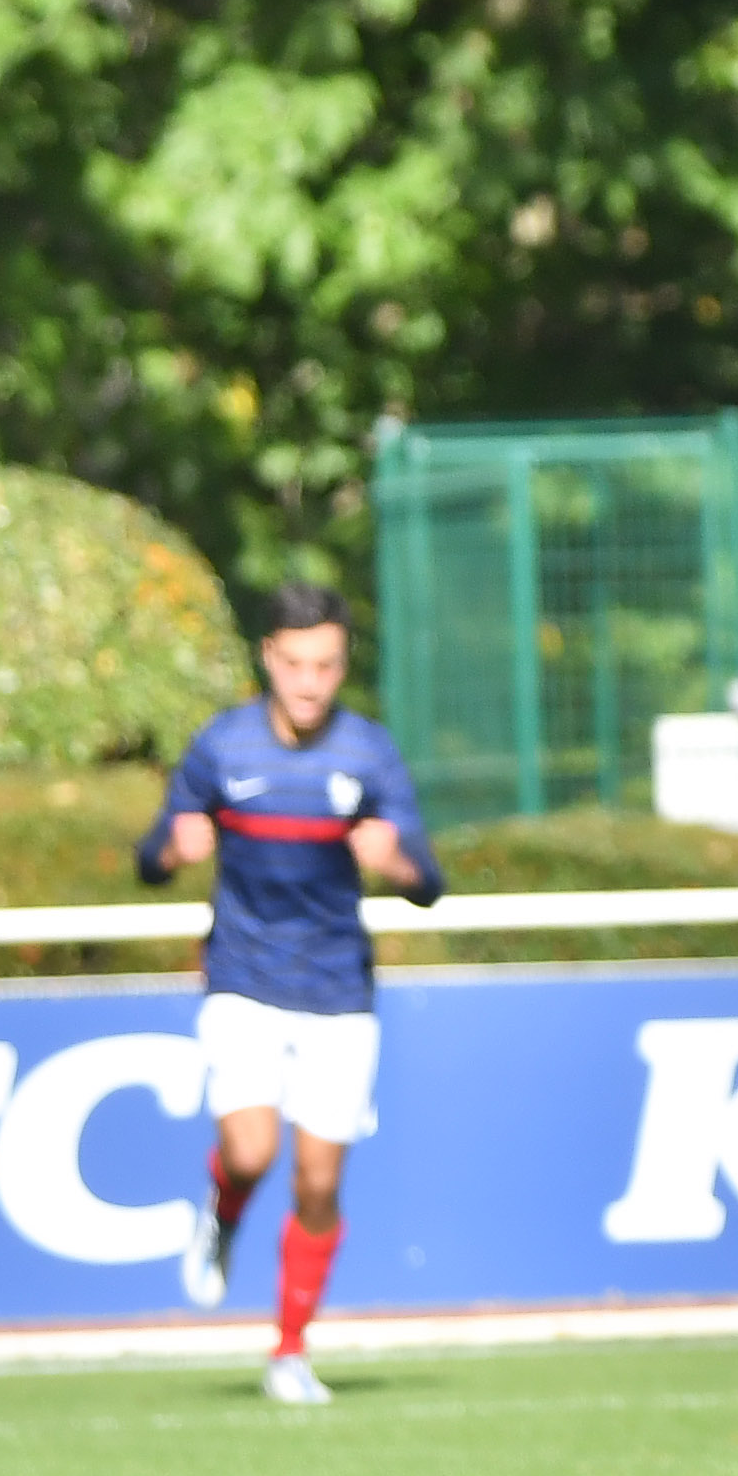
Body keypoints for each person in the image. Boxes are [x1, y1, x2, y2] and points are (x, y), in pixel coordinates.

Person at [135, 585, 443, 1406]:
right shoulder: (222, 745)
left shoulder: (369, 754)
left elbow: (428, 881)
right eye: (297, 664)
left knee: (317, 1184)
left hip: (337, 990)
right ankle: (225, 1208)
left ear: (343, 665)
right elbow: (151, 855)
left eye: (327, 666)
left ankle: (289, 1351)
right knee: (250, 1153)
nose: (310, 683)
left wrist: (396, 862)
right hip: (243, 978)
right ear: (269, 657)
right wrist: (173, 849)